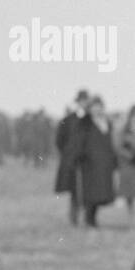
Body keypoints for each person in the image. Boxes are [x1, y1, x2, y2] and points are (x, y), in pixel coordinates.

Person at [77, 96, 118, 227]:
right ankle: (89, 219)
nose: (97, 109)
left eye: (99, 106)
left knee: (101, 193)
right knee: (91, 193)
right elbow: (79, 144)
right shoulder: (85, 124)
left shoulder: (107, 123)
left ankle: (93, 218)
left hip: (104, 164)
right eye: (94, 107)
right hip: (90, 165)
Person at [55, 91, 89, 223]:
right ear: (78, 102)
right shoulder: (68, 120)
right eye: (82, 101)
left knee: (88, 190)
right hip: (73, 162)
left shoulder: (89, 120)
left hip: (87, 162)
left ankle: (87, 218)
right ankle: (74, 218)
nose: (84, 103)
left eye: (85, 101)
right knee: (75, 191)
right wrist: (69, 154)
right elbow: (60, 140)